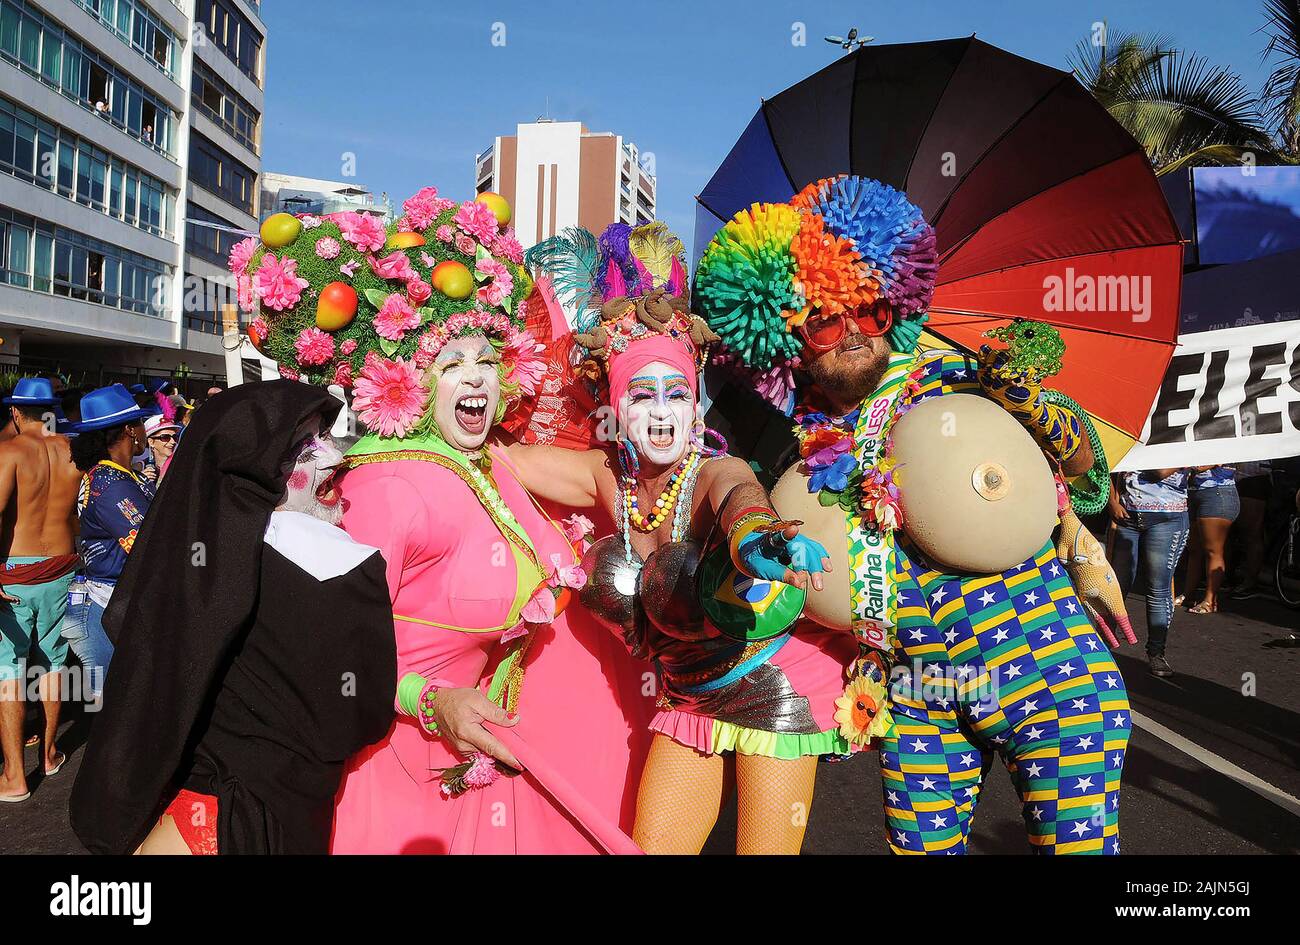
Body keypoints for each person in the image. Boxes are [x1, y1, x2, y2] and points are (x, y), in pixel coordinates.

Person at [695, 176, 1132, 855]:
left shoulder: (960, 379)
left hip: (1050, 673)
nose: (852, 333)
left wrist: (1031, 405)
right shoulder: (790, 451)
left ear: (893, 306)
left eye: (869, 311)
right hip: (919, 697)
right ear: (788, 335)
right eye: (824, 319)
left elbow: (1084, 463)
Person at [234, 184, 650, 853]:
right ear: (413, 381)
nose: (477, 376)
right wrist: (432, 701)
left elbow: (602, 474)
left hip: (463, 770)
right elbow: (322, 649)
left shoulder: (488, 464)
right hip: (391, 778)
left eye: (488, 359)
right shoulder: (390, 485)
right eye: (453, 363)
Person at [513, 222, 847, 855]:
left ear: (696, 405)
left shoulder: (713, 471)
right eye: (642, 395)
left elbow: (740, 500)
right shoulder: (604, 477)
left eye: (677, 394)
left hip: (773, 677)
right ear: (615, 407)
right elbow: (501, 461)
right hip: (687, 691)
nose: (662, 412)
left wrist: (763, 544)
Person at [69, 381, 396, 854]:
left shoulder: (189, 554)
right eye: (305, 449)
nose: (333, 458)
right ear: (253, 471)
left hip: (181, 811)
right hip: (257, 818)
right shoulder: (334, 564)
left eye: (324, 438)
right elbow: (358, 718)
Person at [0, 378, 82, 802]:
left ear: (16, 412)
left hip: (17, 572)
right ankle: (49, 754)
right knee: (52, 660)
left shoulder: (9, 452)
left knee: (9, 670)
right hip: (63, 567)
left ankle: (15, 776)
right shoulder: (72, 450)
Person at [66, 384, 155, 697]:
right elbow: (146, 546)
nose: (145, 430)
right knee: (120, 708)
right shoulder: (111, 483)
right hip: (110, 608)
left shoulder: (121, 476)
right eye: (141, 422)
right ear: (130, 430)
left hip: (115, 602)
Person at [1108, 468, 1190, 676]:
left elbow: (1159, 472)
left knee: (1158, 589)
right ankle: (1102, 647)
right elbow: (1108, 466)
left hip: (1168, 518)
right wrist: (1112, 503)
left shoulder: (1183, 445)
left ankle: (1156, 653)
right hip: (1126, 516)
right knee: (1114, 588)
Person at [1181, 465, 1239, 614]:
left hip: (1218, 491)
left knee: (1213, 550)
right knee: (1193, 549)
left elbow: (1201, 466)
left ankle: (1210, 600)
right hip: (1194, 492)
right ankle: (1188, 594)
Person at [1229, 460, 1272, 599]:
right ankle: (1228, 575)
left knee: (1251, 533)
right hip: (1232, 477)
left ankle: (1251, 582)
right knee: (1229, 531)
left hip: (1253, 477)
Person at [140, 415, 181, 485]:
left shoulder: (181, 465)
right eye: (165, 437)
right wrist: (140, 482)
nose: (173, 442)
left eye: (174, 437)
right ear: (151, 442)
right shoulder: (139, 467)